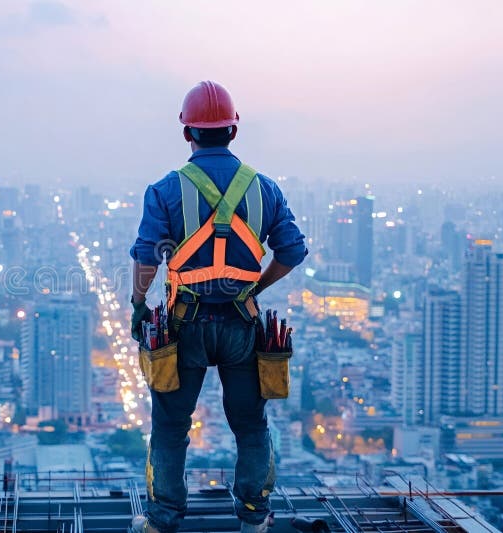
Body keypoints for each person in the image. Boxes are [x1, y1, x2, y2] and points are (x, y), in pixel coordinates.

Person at [129, 80, 307, 533]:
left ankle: (163, 520)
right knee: (250, 427)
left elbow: (147, 255)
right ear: (233, 131)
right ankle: (253, 518)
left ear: (187, 133)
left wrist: (138, 303)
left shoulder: (165, 190)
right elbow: (292, 250)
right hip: (240, 325)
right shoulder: (264, 189)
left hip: (183, 325)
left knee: (170, 428)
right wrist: (255, 289)